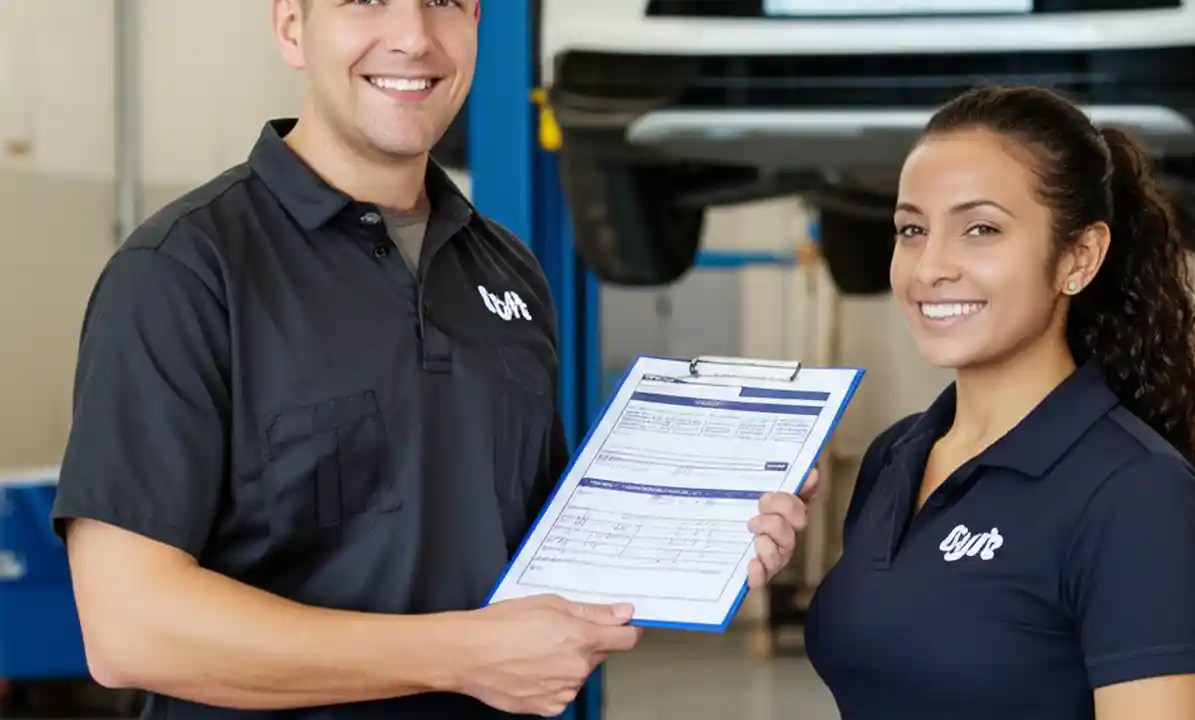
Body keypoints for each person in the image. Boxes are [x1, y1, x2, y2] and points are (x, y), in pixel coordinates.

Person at [51, 1, 816, 718]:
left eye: (446, 0)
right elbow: (129, 628)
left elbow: (536, 555)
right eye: (367, 0)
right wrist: (459, 657)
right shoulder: (184, 271)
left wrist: (715, 532)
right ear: (292, 27)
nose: (415, 36)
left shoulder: (505, 270)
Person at [804, 84, 1195, 720]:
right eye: (912, 229)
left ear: (1078, 258)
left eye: (980, 229)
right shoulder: (894, 455)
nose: (929, 268)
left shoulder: (1137, 493)